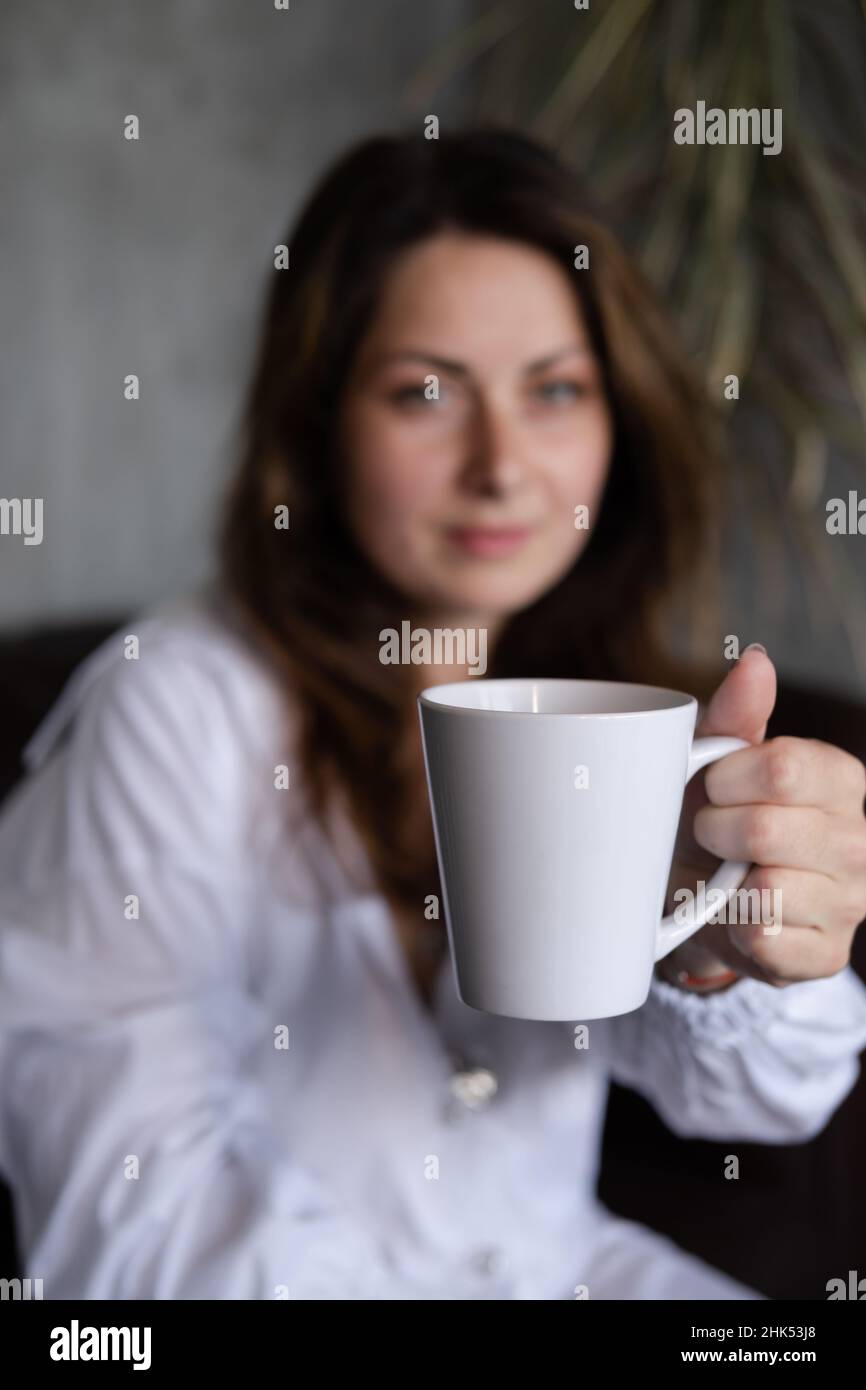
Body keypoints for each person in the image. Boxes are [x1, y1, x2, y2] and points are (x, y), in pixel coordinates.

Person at [1, 128, 866, 1301]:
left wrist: (714, 962)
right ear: (316, 425)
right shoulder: (176, 707)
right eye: (423, 392)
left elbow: (777, 1101)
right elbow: (137, 1218)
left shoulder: (613, 711)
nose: (501, 463)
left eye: (553, 389)